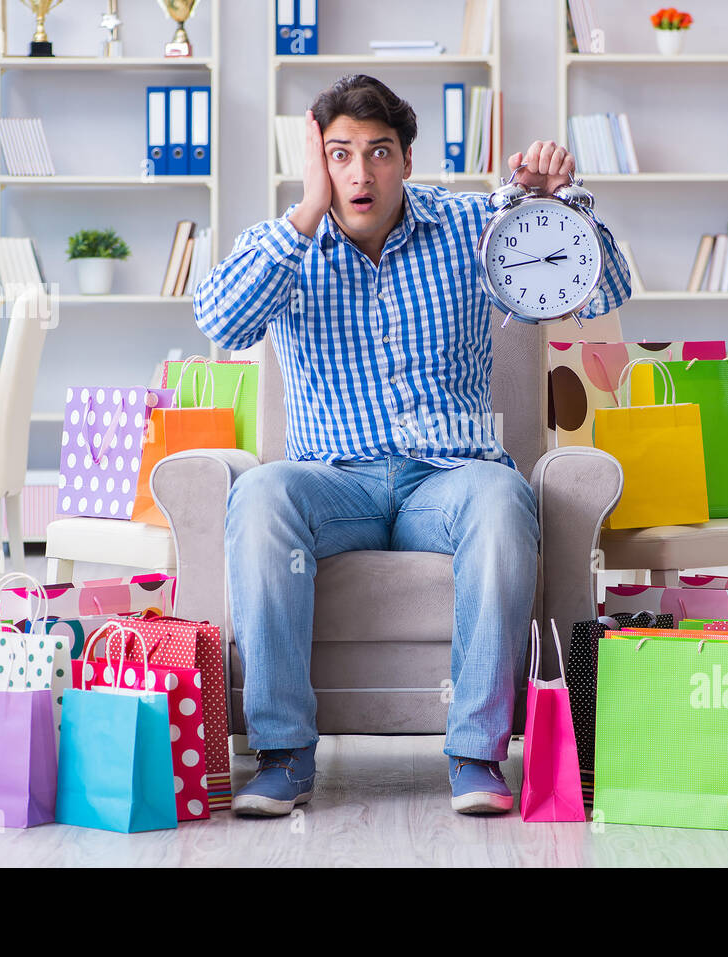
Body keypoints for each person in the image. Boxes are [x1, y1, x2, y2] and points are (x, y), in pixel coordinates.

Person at [194, 74, 629, 816]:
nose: (360, 174)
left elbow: (603, 291)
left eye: (379, 152)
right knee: (260, 490)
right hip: (332, 484)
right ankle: (284, 754)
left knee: (503, 495)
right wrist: (305, 208)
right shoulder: (285, 244)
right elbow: (221, 325)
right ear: (318, 161)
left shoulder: (469, 226)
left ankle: (474, 754)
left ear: (407, 158)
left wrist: (561, 202)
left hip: (449, 478)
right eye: (340, 154)